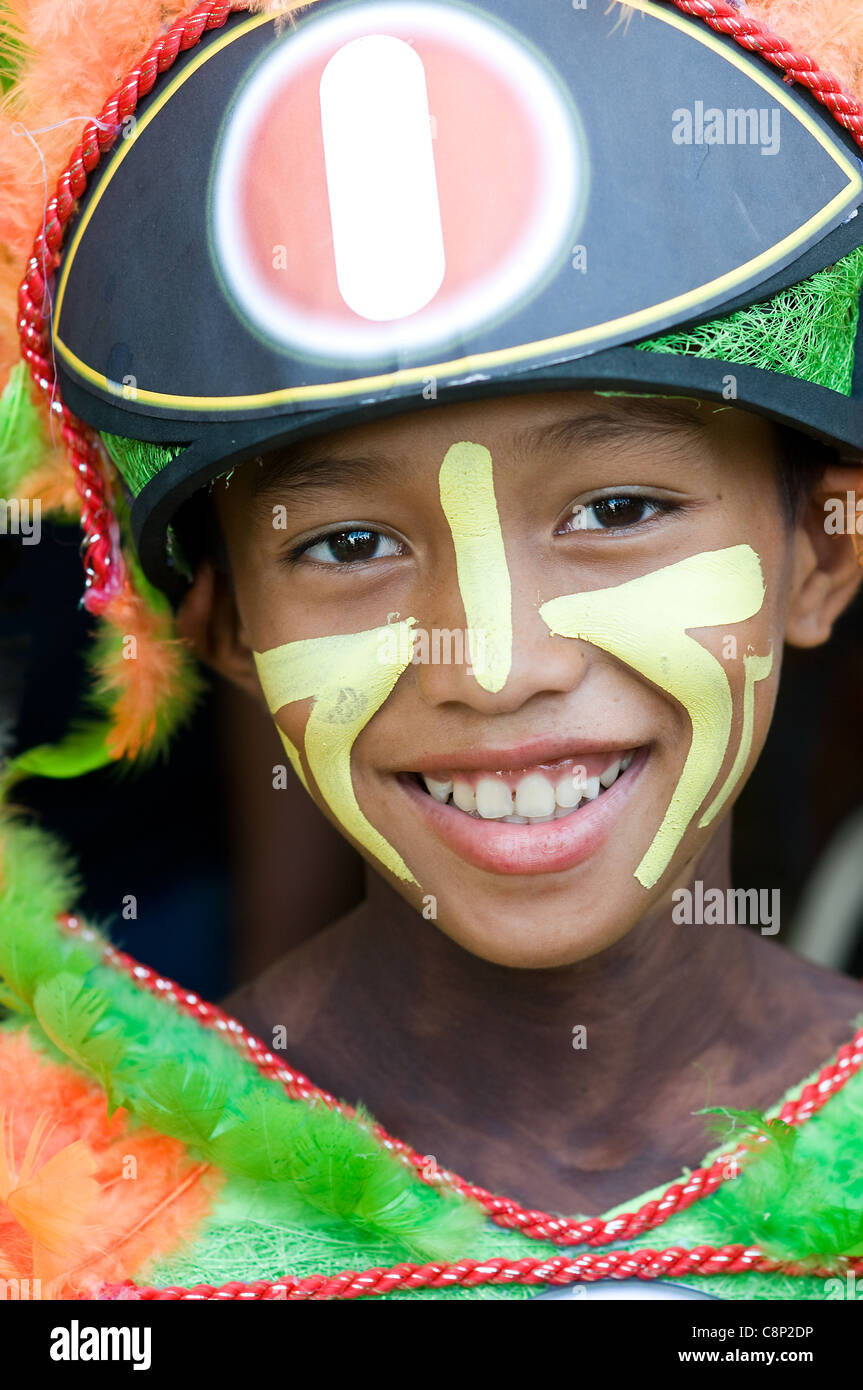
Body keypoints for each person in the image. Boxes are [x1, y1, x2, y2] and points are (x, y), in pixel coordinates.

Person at [1, 0, 863, 1301]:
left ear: (822, 550)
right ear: (226, 627)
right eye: (349, 544)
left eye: (616, 512)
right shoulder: (64, 1224)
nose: (500, 663)